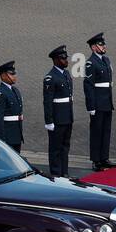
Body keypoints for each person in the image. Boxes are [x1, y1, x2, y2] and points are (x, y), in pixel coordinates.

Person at [83, 34, 116, 171]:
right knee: (97, 131)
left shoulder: (106, 60)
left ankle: (104, 157)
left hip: (107, 101)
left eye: (104, 44)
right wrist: (90, 105)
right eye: (100, 44)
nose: (104, 46)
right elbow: (88, 86)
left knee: (106, 130)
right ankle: (96, 160)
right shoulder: (91, 63)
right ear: (93, 47)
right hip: (97, 102)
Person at [43, 46, 75, 178]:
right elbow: (47, 101)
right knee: (55, 148)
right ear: (56, 60)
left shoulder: (66, 74)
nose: (66, 60)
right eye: (63, 58)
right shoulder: (50, 78)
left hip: (67, 116)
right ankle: (56, 173)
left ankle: (64, 172)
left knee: (65, 146)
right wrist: (49, 121)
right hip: (57, 118)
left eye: (66, 58)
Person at [0, 61, 24, 153]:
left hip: (16, 135)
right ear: (3, 76)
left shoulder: (15, 90)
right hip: (7, 136)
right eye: (11, 74)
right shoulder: (0, 94)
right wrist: (1, 140)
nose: (14, 76)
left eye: (14, 74)